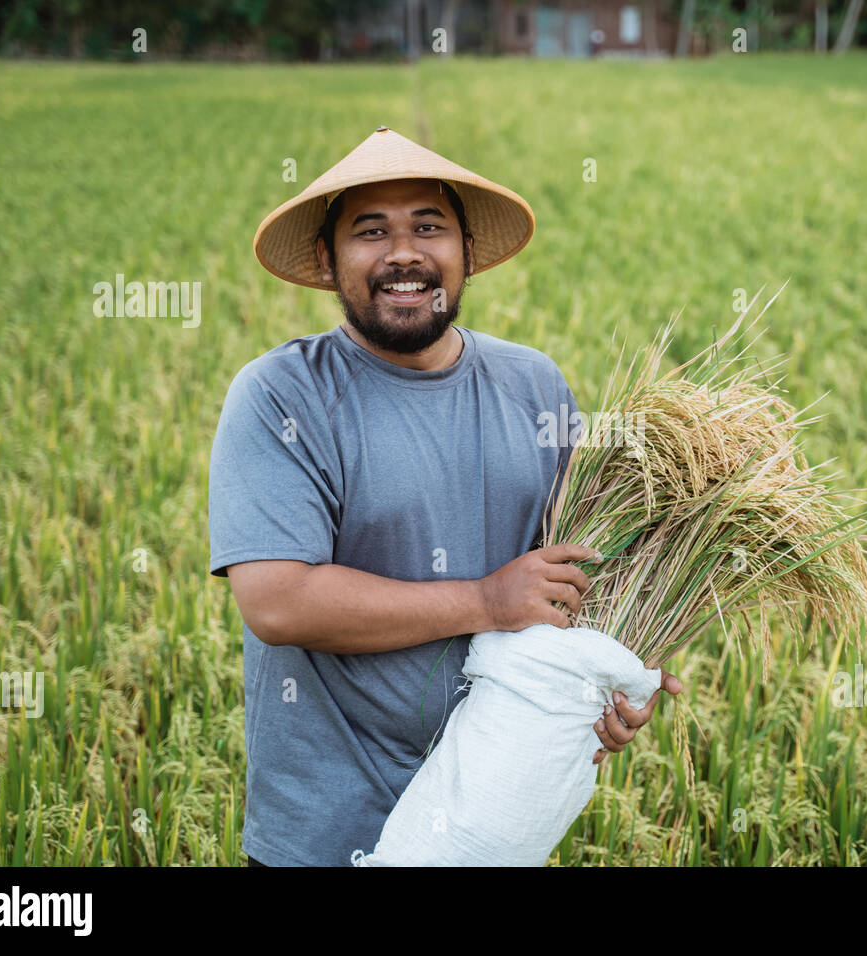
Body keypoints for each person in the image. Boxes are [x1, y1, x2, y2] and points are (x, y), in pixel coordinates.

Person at [209, 127, 683, 866]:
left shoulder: (534, 386)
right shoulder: (281, 395)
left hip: (495, 821)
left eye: (428, 227)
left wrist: (621, 675)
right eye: (371, 232)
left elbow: (581, 576)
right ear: (329, 261)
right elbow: (278, 601)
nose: (404, 252)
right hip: (326, 836)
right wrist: (488, 602)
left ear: (466, 252)